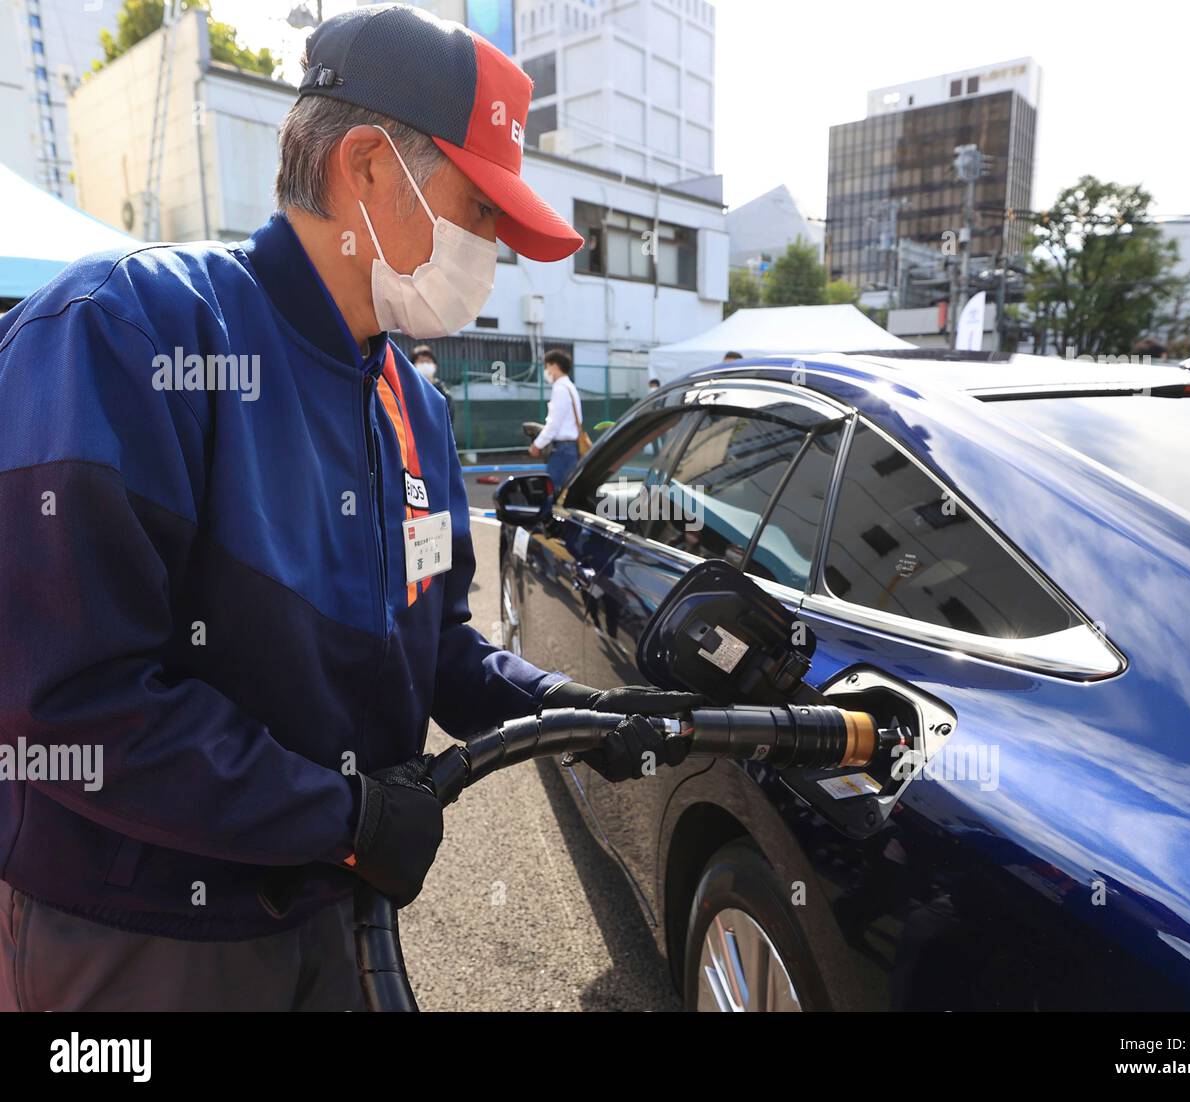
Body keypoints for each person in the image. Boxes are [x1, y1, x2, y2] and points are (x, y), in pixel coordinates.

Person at [0, 5, 693, 1013]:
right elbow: (63, 703)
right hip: (138, 935)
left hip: (333, 909)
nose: (491, 248)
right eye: (480, 209)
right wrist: (343, 814)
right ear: (368, 167)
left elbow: (436, 644)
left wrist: (566, 712)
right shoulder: (124, 333)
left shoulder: (410, 404)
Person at [529, 349, 583, 487]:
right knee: (567, 492)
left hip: (562, 450)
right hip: (571, 448)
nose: (546, 371)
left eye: (546, 367)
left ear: (554, 366)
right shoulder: (570, 387)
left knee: (552, 491)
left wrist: (537, 444)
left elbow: (553, 424)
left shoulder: (560, 388)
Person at [412, 343, 455, 425]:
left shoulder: (443, 392)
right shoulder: (407, 390)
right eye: (421, 361)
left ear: (434, 366)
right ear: (413, 365)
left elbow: (448, 420)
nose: (425, 364)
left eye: (428, 361)